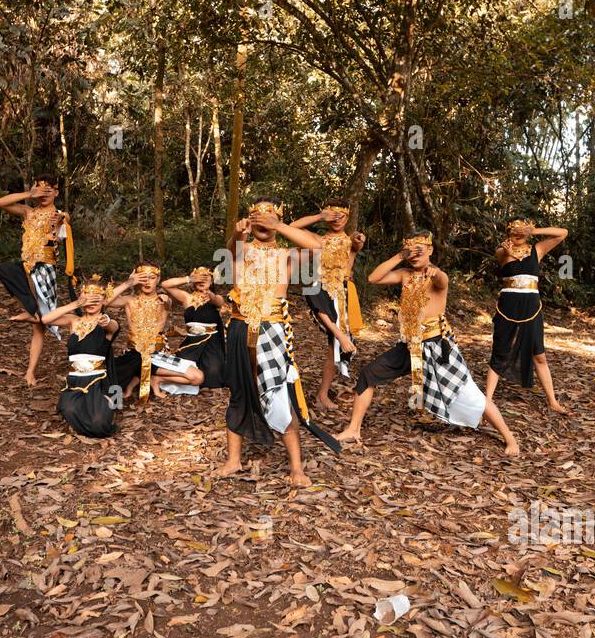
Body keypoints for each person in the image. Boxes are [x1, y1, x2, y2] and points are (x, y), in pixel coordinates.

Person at [337, 231, 519, 456]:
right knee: (368, 374)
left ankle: (510, 438)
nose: (414, 256)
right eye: (410, 252)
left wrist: (436, 272)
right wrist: (399, 256)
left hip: (436, 347)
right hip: (408, 346)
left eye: (419, 251)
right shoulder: (404, 274)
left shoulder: (436, 277)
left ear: (430, 250)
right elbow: (373, 278)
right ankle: (353, 429)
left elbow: (442, 280)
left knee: (468, 392)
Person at [219, 199, 341, 486]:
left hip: (271, 328)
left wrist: (280, 226)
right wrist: (238, 232)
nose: (263, 221)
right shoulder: (243, 250)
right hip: (238, 327)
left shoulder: (287, 256)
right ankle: (233, 460)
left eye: (269, 217)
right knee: (238, 391)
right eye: (257, 217)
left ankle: (296, 468)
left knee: (277, 393)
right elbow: (230, 249)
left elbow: (316, 246)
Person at [0, 177, 75, 385]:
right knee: (5, 270)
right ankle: (30, 368)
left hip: (44, 270)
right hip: (25, 268)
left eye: (51, 190)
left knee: (42, 323)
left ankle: (76, 323)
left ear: (57, 193)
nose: (45, 193)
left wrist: (56, 226)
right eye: (42, 189)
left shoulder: (60, 216)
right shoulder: (28, 212)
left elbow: (57, 240)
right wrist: (29, 195)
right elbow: (1, 203)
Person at [485, 218, 568, 413]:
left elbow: (562, 232)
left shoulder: (536, 250)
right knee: (500, 352)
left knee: (539, 355)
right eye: (514, 230)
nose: (519, 233)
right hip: (508, 309)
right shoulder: (502, 252)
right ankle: (487, 401)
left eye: (523, 230)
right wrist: (511, 243)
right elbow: (503, 253)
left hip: (532, 309)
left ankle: (552, 401)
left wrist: (535, 230)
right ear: (507, 232)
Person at [292, 204, 365, 410]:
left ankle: (322, 394)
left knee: (333, 348)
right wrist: (319, 216)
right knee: (337, 338)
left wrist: (357, 244)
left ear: (348, 216)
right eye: (333, 215)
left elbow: (352, 258)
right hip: (320, 288)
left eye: (341, 215)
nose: (337, 218)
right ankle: (322, 394)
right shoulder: (318, 240)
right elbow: (292, 226)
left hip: (342, 293)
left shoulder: (351, 240)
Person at [108, 263, 204, 402]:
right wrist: (128, 283)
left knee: (197, 377)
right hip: (134, 355)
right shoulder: (130, 301)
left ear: (158, 279)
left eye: (152, 278)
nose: (147, 282)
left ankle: (154, 377)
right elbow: (104, 301)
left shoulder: (163, 300)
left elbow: (168, 304)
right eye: (143, 278)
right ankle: (138, 375)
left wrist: (166, 301)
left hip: (158, 355)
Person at [40, 276, 122, 438]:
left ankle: (107, 403)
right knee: (68, 409)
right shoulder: (74, 321)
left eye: (95, 299)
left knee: (99, 425)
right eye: (87, 298)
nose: (90, 303)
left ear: (104, 301)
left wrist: (105, 320)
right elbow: (45, 319)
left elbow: (113, 326)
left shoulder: (106, 324)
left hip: (98, 382)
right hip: (75, 380)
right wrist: (76, 303)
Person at [160, 266, 227, 392]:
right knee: (183, 368)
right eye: (199, 277)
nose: (202, 280)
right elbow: (165, 284)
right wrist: (189, 278)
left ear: (211, 281)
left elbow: (218, 302)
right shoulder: (187, 297)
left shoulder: (215, 298)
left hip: (212, 341)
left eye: (205, 277)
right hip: (192, 342)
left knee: (213, 374)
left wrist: (210, 294)